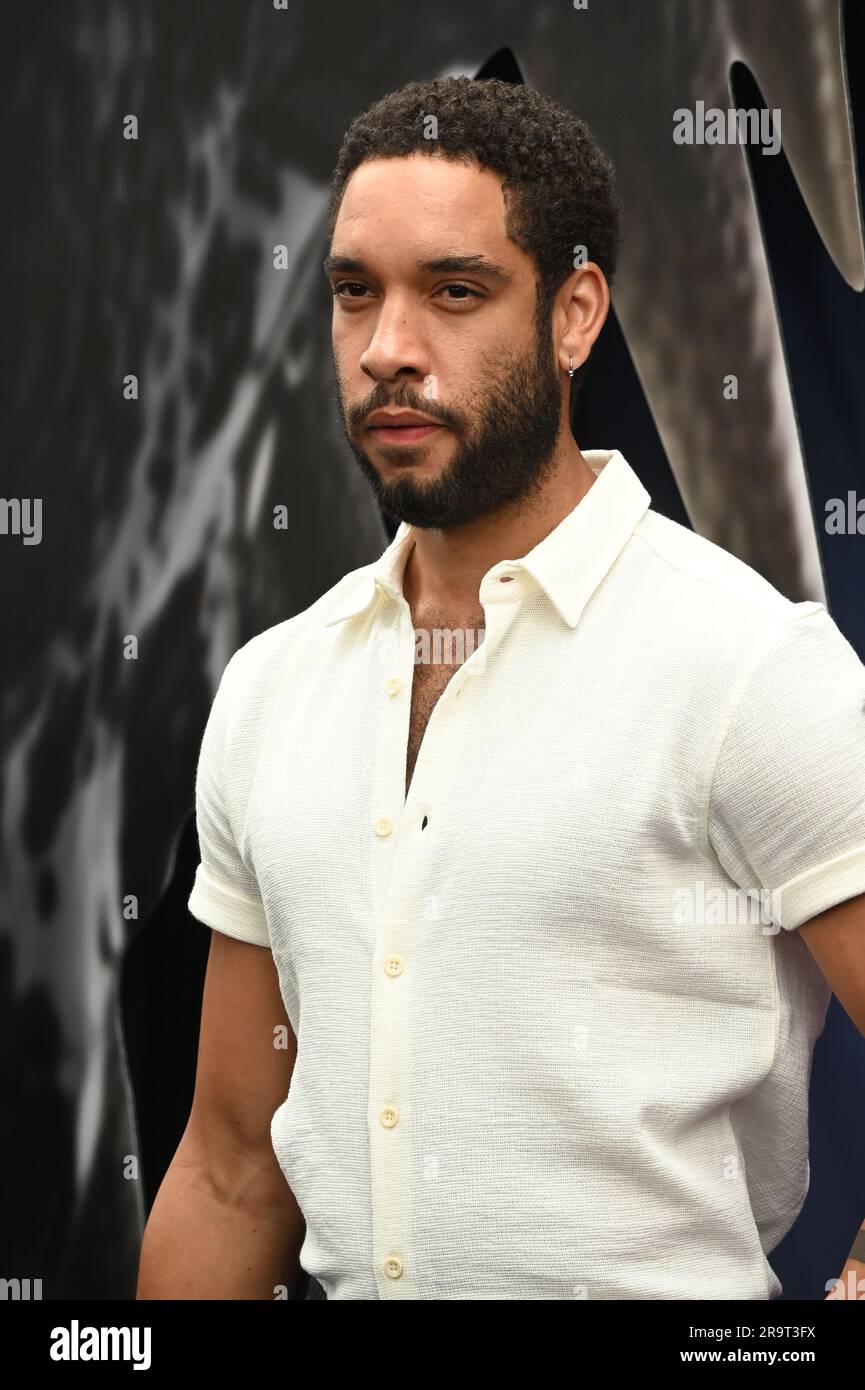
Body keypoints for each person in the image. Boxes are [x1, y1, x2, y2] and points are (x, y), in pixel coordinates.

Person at [137, 76, 865, 1301]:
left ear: (576, 314)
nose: (386, 350)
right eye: (354, 291)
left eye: (454, 291)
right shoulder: (271, 689)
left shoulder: (747, 667)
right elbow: (230, 1168)